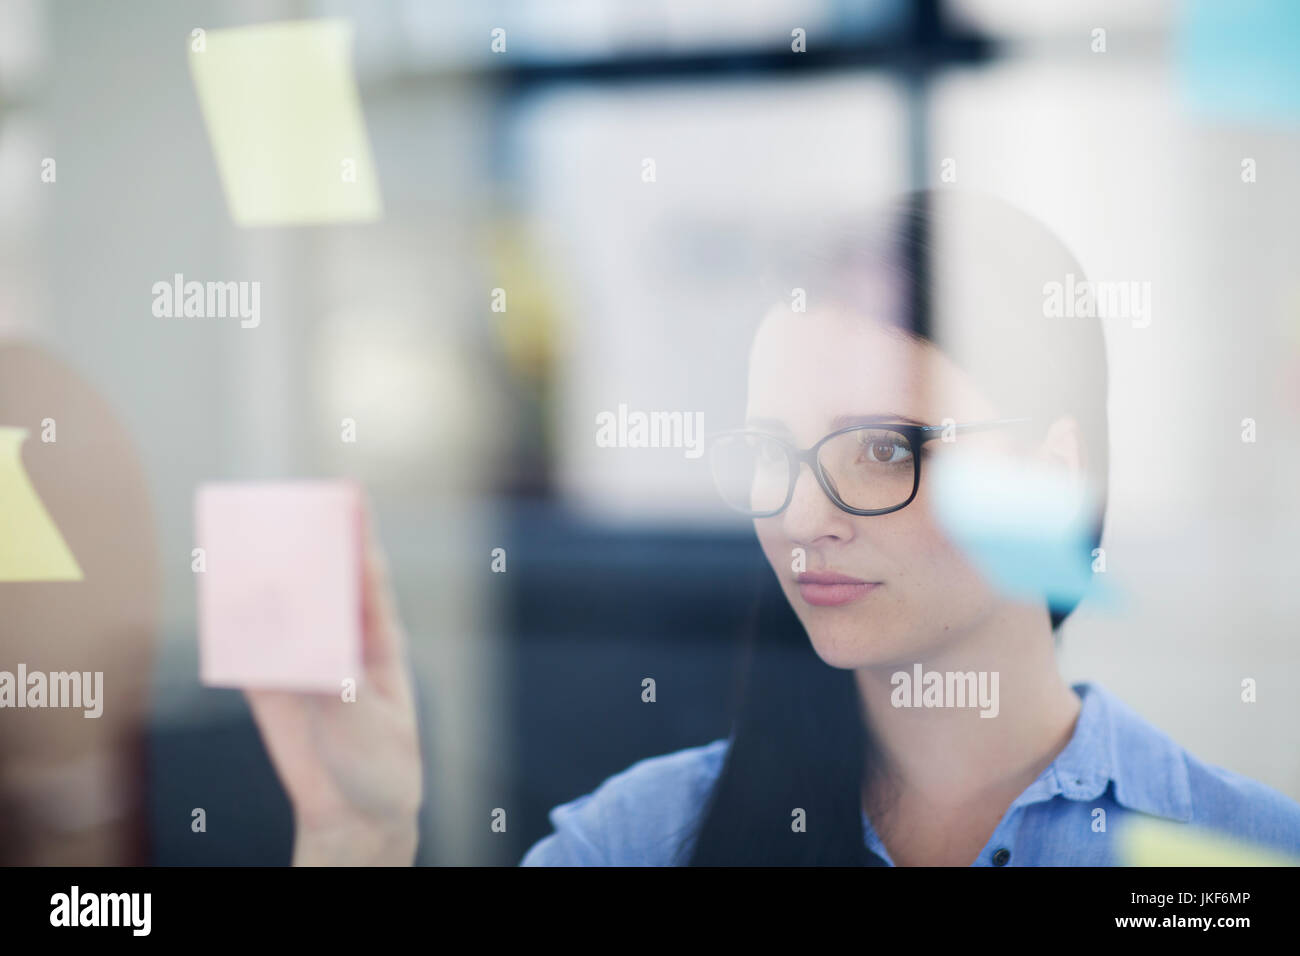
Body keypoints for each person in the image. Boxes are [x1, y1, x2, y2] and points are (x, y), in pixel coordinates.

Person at [248, 190, 1300, 866]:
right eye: (773, 453)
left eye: (882, 449)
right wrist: (358, 837)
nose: (802, 516)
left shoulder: (1234, 852)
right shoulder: (639, 840)